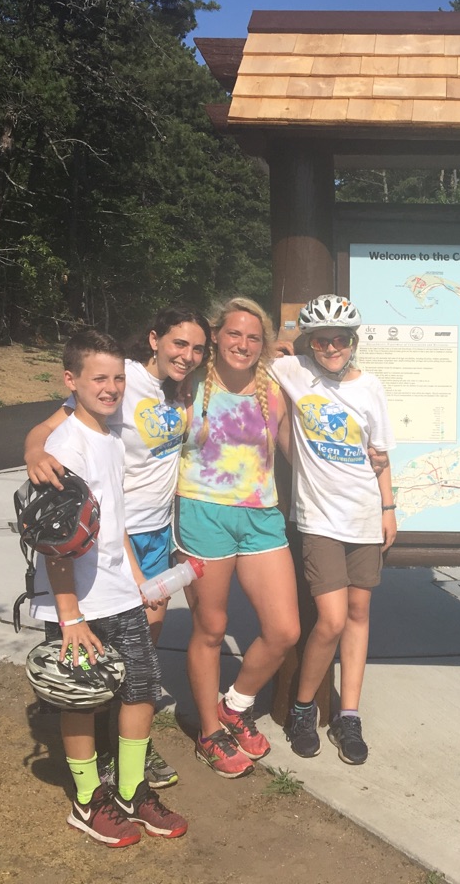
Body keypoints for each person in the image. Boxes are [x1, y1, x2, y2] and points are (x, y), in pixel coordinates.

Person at [25, 306, 210, 790]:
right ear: (154, 339)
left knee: (139, 657)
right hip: (100, 544)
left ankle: (130, 751)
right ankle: (102, 762)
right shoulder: (113, 391)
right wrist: (33, 453)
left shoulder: (173, 391)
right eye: (178, 344)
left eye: (196, 349)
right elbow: (50, 428)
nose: (187, 355)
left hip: (144, 535)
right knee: (105, 660)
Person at [268, 294, 397, 765]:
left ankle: (349, 714)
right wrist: (288, 338)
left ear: (353, 341)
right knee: (332, 619)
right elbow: (258, 350)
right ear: (310, 342)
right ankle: (303, 709)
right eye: (321, 340)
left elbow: (380, 455)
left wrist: (389, 507)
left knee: (359, 613)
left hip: (364, 514)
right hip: (319, 519)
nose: (331, 348)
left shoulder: (371, 388)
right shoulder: (294, 371)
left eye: (340, 339)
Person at [176, 296, 300, 779]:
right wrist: (40, 443)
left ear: (263, 345)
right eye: (233, 334)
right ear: (216, 336)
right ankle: (209, 732)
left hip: (261, 516)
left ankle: (235, 704)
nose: (242, 344)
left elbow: (297, 451)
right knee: (210, 628)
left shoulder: (273, 389)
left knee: (284, 629)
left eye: (253, 337)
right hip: (202, 514)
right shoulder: (189, 384)